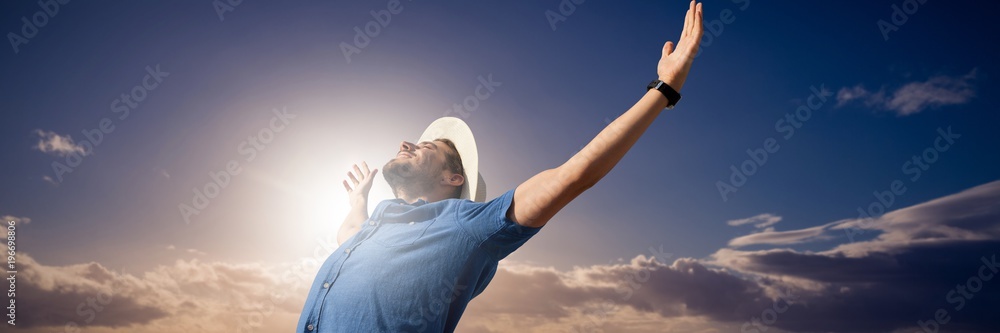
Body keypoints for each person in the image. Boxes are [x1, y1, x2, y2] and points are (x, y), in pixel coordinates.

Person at [297, 1, 704, 331]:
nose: (406, 142)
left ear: (452, 178)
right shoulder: (374, 227)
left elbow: (573, 175)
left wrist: (663, 89)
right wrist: (357, 204)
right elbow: (348, 235)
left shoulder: (464, 225)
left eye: (425, 146)